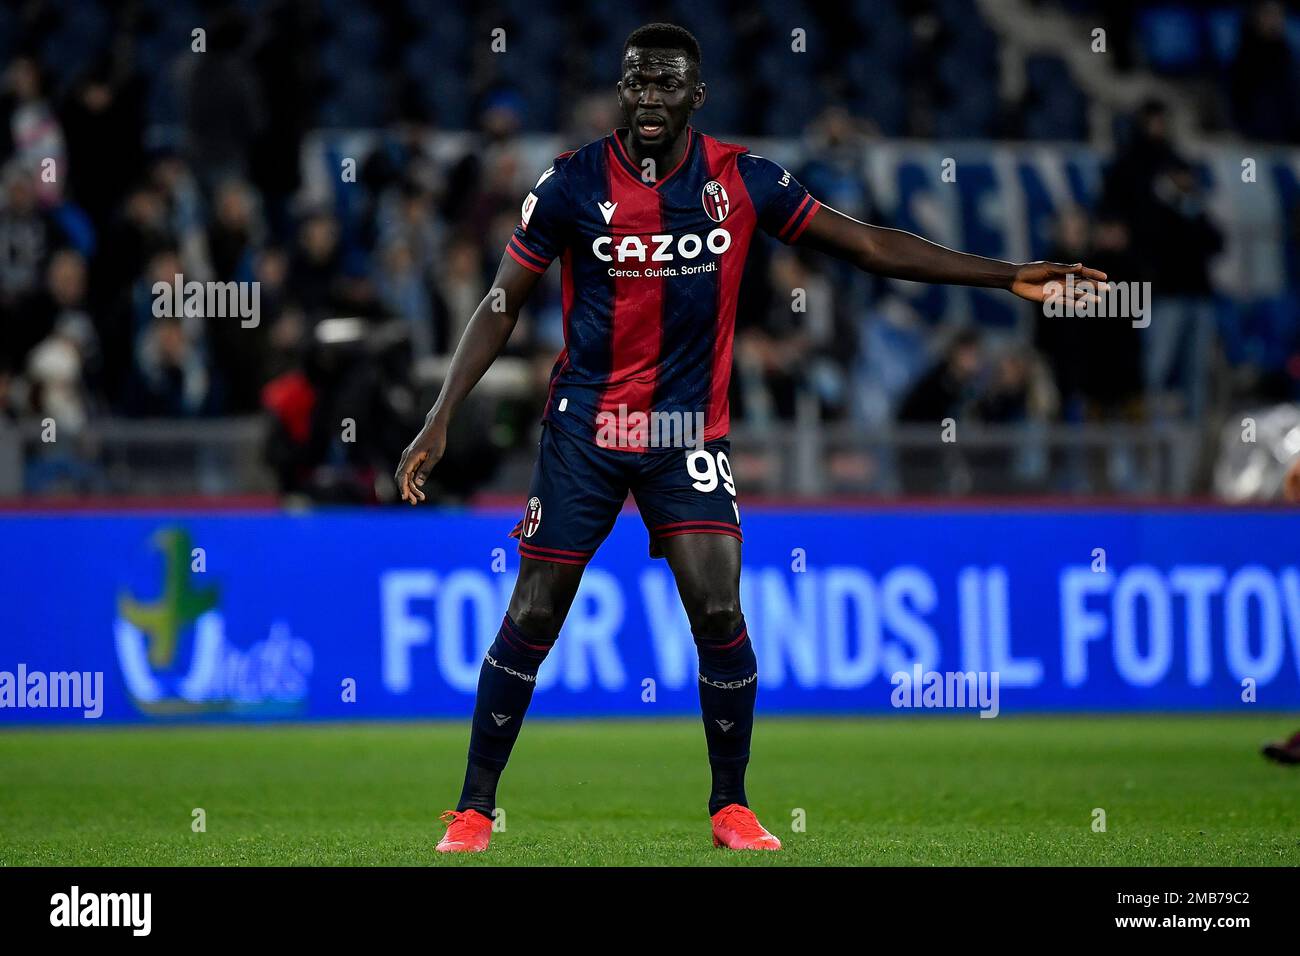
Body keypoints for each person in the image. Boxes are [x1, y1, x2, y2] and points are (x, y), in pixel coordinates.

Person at [394, 22, 1107, 853]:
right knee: (536, 608)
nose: (650, 98)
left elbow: (871, 246)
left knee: (720, 604)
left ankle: (729, 806)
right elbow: (500, 302)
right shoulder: (570, 184)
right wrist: (439, 414)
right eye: (637, 82)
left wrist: (1007, 274)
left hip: (686, 432)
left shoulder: (743, 180)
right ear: (622, 90)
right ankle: (475, 809)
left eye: (667, 85)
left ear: (697, 95)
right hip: (587, 429)